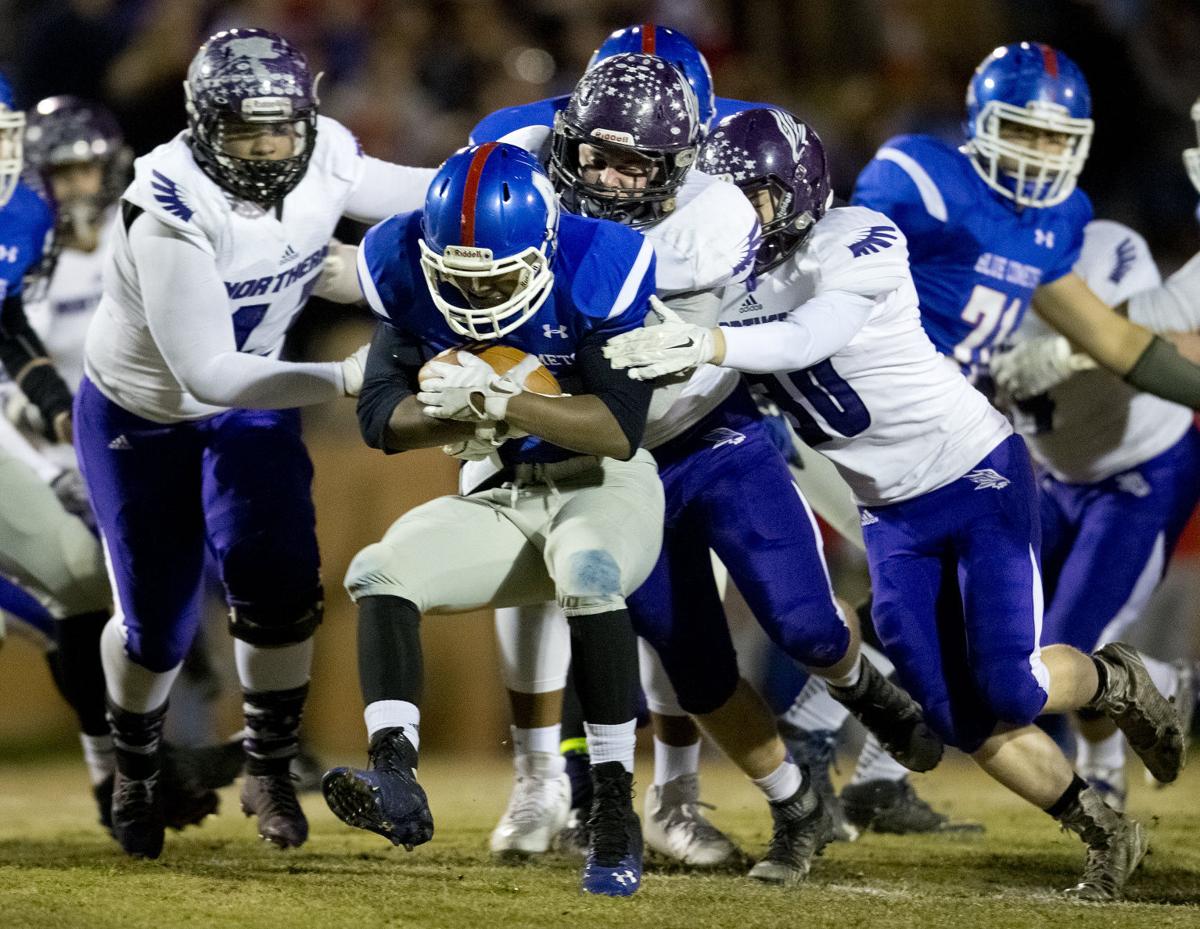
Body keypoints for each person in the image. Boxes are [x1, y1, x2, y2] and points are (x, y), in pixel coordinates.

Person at [604, 105, 1186, 902]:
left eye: (755, 198)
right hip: (890, 513)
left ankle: (1118, 678)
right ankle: (1105, 830)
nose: (740, 218)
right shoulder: (720, 271)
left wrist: (709, 340)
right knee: (953, 715)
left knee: (1010, 686)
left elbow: (808, 336)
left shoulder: (857, 236)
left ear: (799, 189)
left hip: (976, 473)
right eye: (726, 201)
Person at [72, 27, 437, 860]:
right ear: (203, 126)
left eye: (281, 127)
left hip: (255, 399)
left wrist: (532, 168)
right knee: (157, 625)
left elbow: (437, 193)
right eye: (245, 130)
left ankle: (268, 766)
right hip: (145, 411)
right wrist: (343, 377)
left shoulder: (327, 154)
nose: (269, 146)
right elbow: (208, 373)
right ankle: (137, 767)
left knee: (281, 584)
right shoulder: (166, 206)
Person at [320, 142, 661, 897]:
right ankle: (395, 775)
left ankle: (612, 808)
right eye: (458, 279)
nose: (476, 298)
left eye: (498, 278)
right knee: (379, 570)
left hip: (602, 484)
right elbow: (380, 417)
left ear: (543, 251)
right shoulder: (404, 263)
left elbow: (617, 427)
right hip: (503, 490)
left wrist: (500, 401)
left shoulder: (599, 262)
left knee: (588, 569)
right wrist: (453, 413)